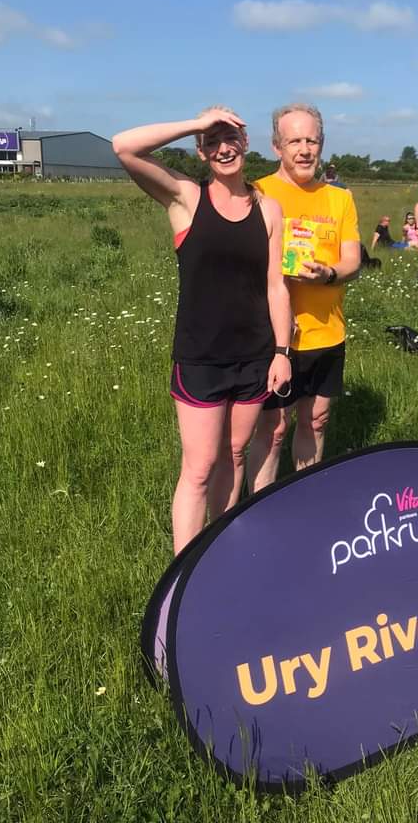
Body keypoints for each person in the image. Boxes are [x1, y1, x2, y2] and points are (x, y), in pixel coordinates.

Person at [112, 108, 292, 553]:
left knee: (234, 455)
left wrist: (283, 351)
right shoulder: (186, 199)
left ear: (245, 144)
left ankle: (220, 549)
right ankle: (183, 572)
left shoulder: (269, 209)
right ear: (200, 150)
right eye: (211, 141)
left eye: (230, 138)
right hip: (201, 357)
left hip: (254, 356)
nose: (223, 148)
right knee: (198, 467)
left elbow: (275, 286)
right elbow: (124, 146)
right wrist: (197, 122)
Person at [248, 104, 361, 490]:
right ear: (276, 146)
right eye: (294, 140)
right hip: (274, 337)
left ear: (322, 144)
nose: (304, 149)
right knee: (274, 428)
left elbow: (353, 259)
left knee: (316, 420)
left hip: (327, 331)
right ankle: (257, 509)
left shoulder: (339, 198)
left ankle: (306, 499)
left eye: (311, 140)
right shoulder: (259, 192)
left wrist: (329, 274)